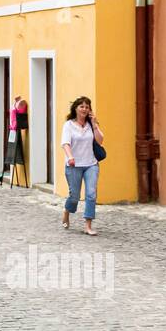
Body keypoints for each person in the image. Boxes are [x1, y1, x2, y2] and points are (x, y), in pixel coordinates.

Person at [61, 96, 105, 236]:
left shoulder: (90, 125)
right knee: (74, 196)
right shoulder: (69, 125)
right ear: (76, 108)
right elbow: (65, 143)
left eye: (87, 107)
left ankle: (88, 225)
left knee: (91, 194)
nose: (84, 109)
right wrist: (70, 157)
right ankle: (67, 212)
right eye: (82, 106)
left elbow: (100, 141)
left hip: (91, 164)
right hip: (74, 164)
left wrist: (94, 124)